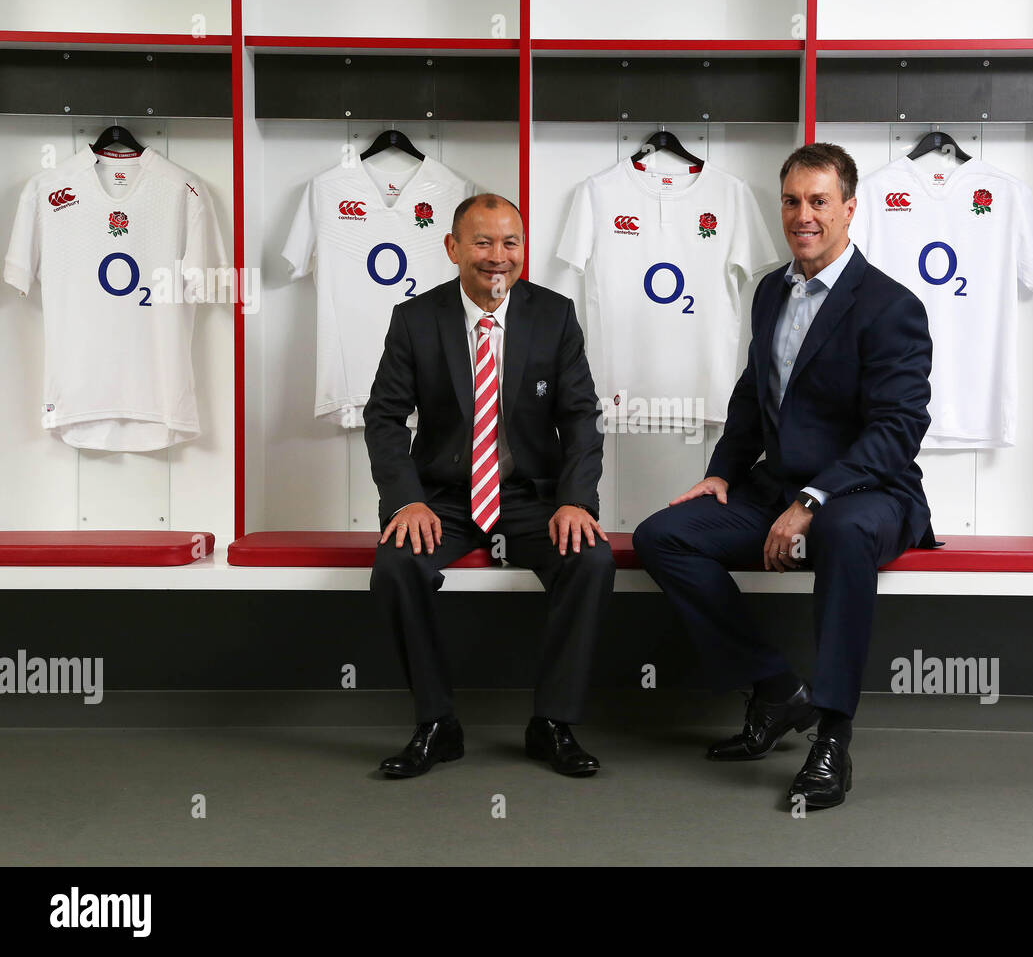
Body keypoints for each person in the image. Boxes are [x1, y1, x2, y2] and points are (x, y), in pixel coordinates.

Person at [633, 144, 936, 809]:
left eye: (820, 201)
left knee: (845, 533)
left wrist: (813, 497)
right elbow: (753, 393)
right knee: (663, 536)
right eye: (793, 200)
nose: (804, 215)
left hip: (868, 491)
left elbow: (895, 430)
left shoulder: (890, 307)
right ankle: (775, 690)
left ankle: (833, 733)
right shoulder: (771, 288)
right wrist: (721, 473)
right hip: (778, 488)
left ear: (850, 208)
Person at [366, 193, 614, 779]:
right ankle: (436, 724)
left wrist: (575, 500)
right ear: (452, 247)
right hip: (443, 498)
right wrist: (406, 500)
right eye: (482, 242)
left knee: (592, 559)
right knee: (397, 563)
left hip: (530, 496)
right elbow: (383, 418)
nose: (498, 257)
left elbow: (580, 416)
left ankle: (552, 722)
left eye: (511, 243)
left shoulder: (553, 316)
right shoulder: (416, 319)